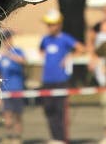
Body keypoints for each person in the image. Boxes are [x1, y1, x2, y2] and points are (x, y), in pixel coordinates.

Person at [39, 9, 84, 144]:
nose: (49, 27)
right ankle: (54, 137)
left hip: (60, 81)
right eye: (47, 24)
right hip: (47, 80)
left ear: (58, 25)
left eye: (51, 24)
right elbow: (40, 50)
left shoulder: (65, 38)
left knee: (60, 111)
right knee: (49, 110)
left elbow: (81, 48)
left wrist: (69, 56)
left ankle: (61, 138)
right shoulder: (45, 39)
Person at [0, 30, 26, 144]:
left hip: (17, 89)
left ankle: (17, 138)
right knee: (7, 115)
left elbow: (24, 61)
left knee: (17, 115)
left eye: (8, 39)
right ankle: (9, 136)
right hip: (5, 91)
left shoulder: (18, 51)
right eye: (4, 39)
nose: (6, 41)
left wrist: (9, 54)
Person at [87, 4, 106, 86]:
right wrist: (92, 58)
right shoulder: (97, 27)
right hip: (100, 59)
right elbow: (90, 43)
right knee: (103, 82)